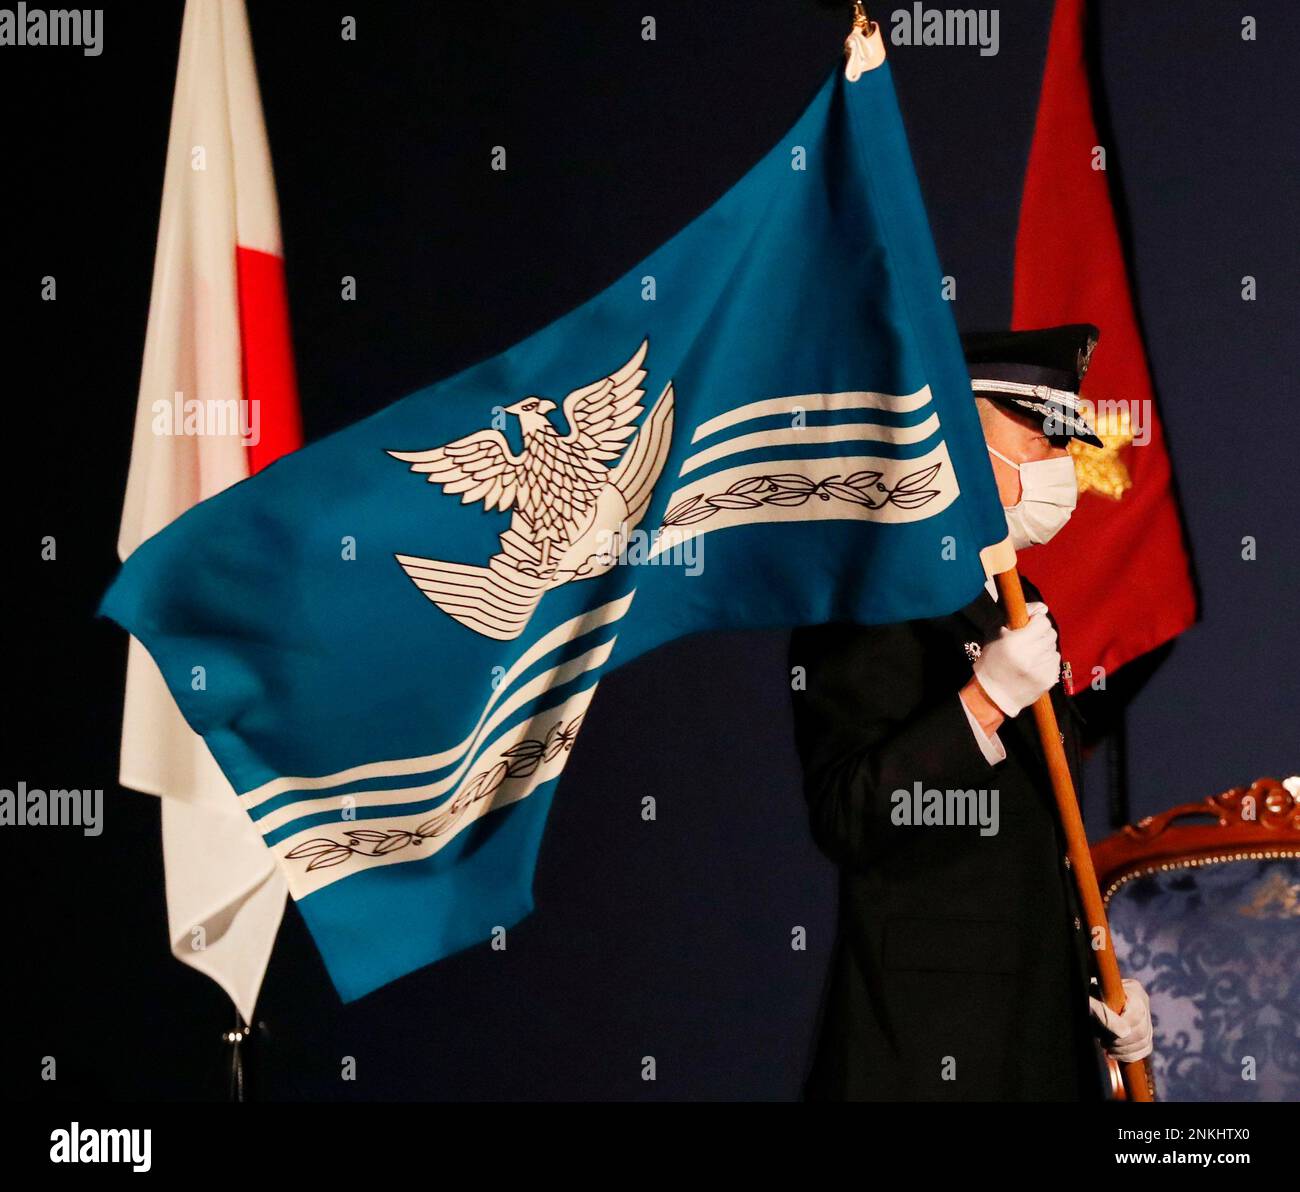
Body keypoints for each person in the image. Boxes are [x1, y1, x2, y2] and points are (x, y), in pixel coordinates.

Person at [789, 324, 1153, 1101]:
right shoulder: (876, 595)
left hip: (1037, 1035)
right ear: (954, 432)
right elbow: (849, 816)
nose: (1064, 466)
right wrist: (981, 703)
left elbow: (1030, 839)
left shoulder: (1022, 604)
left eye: (1067, 444)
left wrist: (1094, 973)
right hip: (926, 1049)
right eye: (1040, 436)